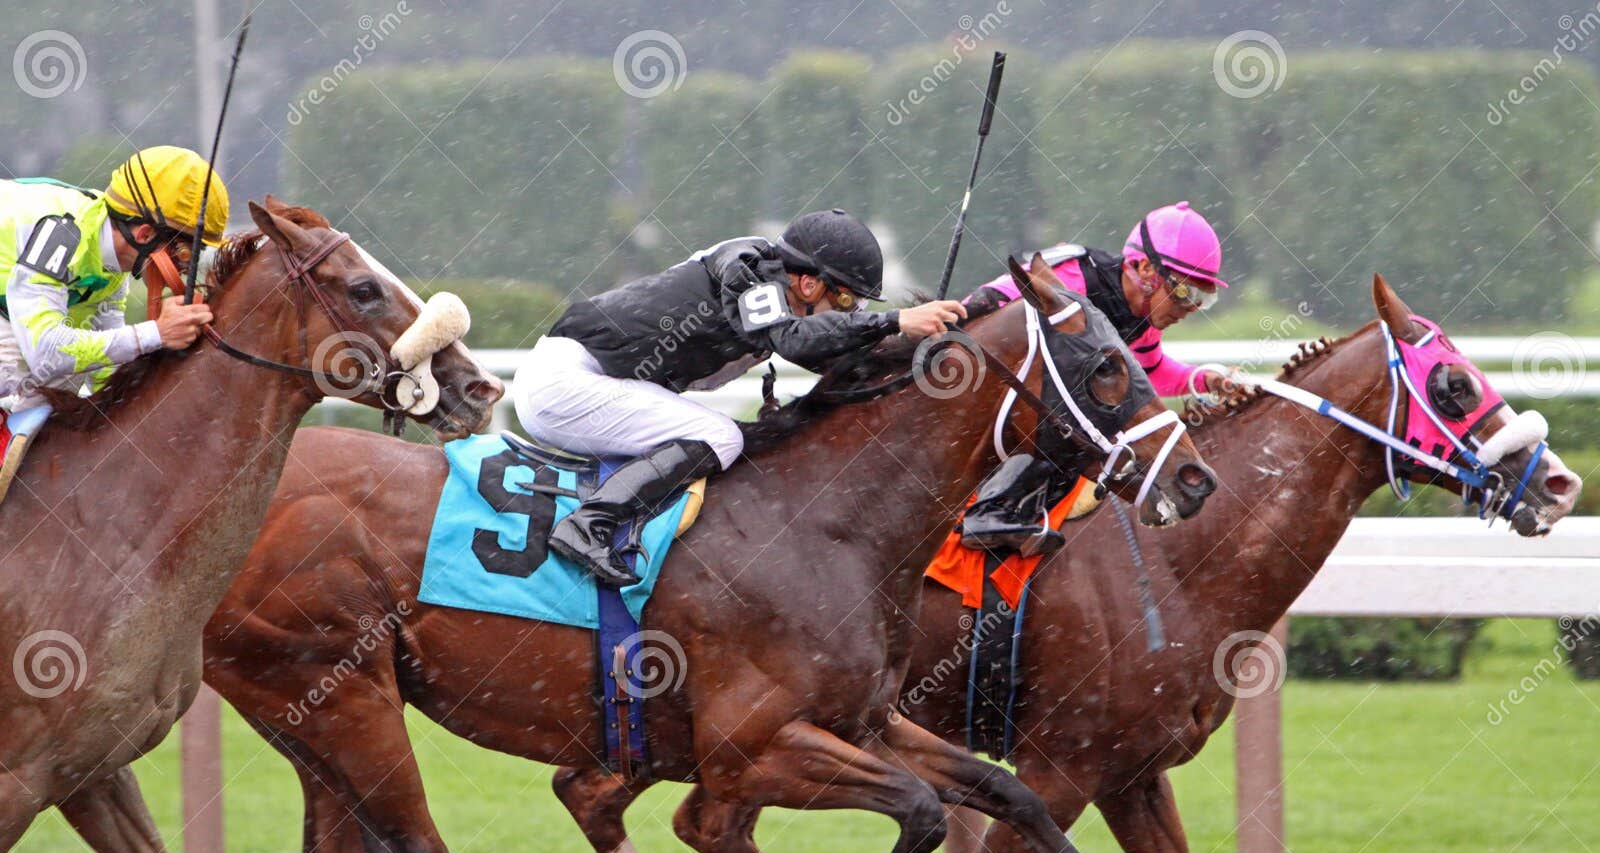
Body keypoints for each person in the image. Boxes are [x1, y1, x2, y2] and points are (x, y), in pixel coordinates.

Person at [514, 208, 965, 587]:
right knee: (722, 436)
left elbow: (841, 362)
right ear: (809, 285)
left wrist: (924, 354)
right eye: (849, 302)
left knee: (731, 437)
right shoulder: (747, 269)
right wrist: (894, 321)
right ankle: (589, 524)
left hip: (598, 383)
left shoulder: (776, 296)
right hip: (566, 384)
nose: (856, 314)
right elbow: (794, 340)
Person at [958, 200, 1233, 552]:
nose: (1190, 309)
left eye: (1202, 300)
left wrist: (1201, 379)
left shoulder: (1143, 321)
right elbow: (990, 306)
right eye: (1185, 293)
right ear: (1146, 269)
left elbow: (1151, 371)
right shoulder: (1074, 279)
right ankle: (991, 512)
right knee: (1065, 427)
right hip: (986, 394)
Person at [0, 147, 227, 477]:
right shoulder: (61, 235)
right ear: (145, 234)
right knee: (13, 370)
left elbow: (104, 369)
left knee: (61, 388)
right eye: (180, 250)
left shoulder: (110, 268)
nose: (183, 266)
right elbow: (47, 351)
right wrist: (157, 333)